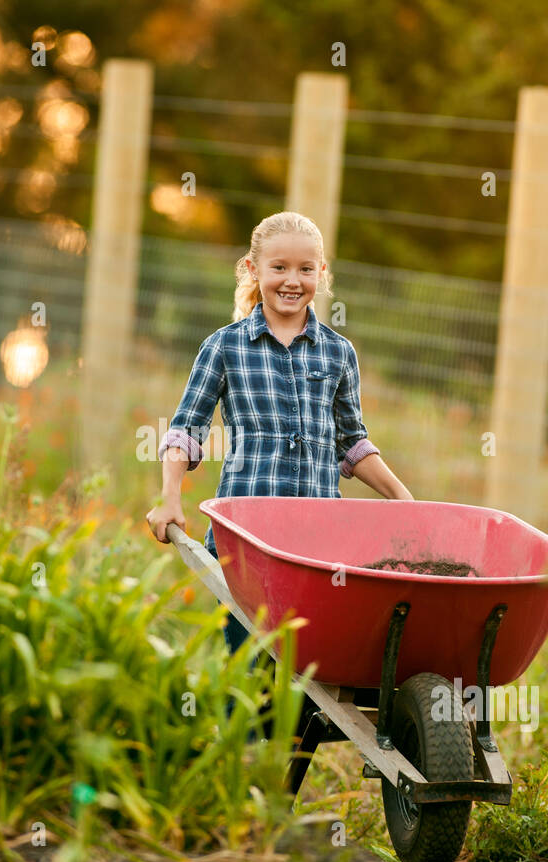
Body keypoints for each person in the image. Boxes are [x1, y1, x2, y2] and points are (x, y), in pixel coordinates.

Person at [145, 211, 414, 739]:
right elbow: (185, 432)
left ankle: (282, 771)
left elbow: (353, 444)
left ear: (321, 274)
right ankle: (237, 781)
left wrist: (404, 500)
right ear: (253, 269)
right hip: (246, 540)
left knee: (307, 674)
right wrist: (169, 498)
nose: (293, 281)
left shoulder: (339, 353)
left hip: (319, 547)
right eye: (280, 267)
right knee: (247, 666)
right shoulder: (225, 347)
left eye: (306, 269)